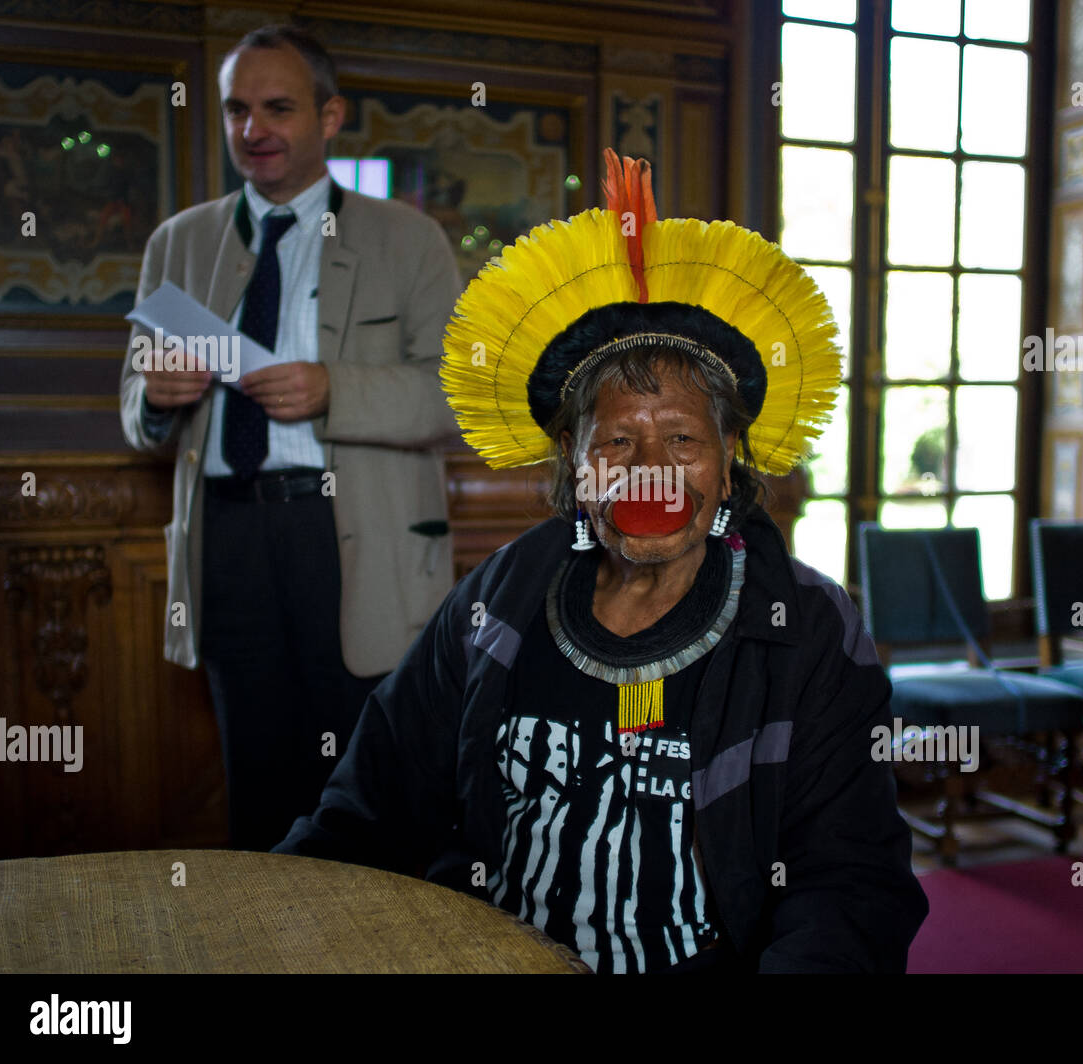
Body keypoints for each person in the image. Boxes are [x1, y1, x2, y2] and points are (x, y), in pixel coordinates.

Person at [275, 150, 929, 972]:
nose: (649, 468)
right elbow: (370, 807)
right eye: (617, 441)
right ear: (575, 469)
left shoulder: (805, 630)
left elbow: (849, 887)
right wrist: (271, 917)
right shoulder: (499, 599)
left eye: (682, 439)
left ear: (730, 462)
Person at [119, 25, 462, 851]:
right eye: (237, 110)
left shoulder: (408, 240)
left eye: (277, 107)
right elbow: (134, 409)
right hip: (227, 537)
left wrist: (333, 389)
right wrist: (157, 397)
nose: (252, 129)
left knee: (366, 784)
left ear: (330, 115)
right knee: (258, 781)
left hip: (353, 540)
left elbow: (455, 397)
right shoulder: (178, 240)